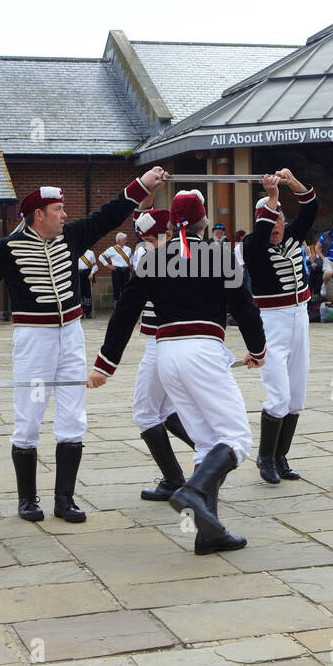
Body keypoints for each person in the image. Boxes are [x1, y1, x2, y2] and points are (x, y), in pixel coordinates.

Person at [0, 169, 164, 523]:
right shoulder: (9, 248)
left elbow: (107, 215)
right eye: (58, 209)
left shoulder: (72, 236)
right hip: (33, 340)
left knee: (73, 413)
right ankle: (27, 499)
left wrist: (141, 186)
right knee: (29, 416)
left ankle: (65, 499)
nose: (64, 215)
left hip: (72, 334)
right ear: (38, 215)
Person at [89, 189, 266, 554]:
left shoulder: (152, 260)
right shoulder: (220, 256)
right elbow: (246, 308)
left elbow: (124, 313)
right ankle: (192, 490)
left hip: (166, 353)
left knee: (206, 442)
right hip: (203, 351)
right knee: (237, 440)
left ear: (172, 223)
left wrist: (105, 364)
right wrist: (258, 350)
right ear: (204, 222)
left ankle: (209, 534)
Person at [242, 170, 317, 484]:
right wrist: (271, 198)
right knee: (278, 395)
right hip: (272, 322)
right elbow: (259, 235)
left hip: (300, 318)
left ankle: (281, 455)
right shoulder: (252, 246)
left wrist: (291, 182)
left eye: (278, 220)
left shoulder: (292, 236)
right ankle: (265, 457)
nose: (275, 227)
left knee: (296, 395)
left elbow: (311, 207)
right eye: (268, 221)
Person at [124, 210, 197, 501]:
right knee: (165, 411)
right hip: (182, 342)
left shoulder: (152, 262)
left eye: (149, 239)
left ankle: (174, 479)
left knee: (144, 412)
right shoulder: (191, 256)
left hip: (159, 341)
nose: (145, 245)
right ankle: (212, 455)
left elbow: (128, 308)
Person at [100, 233, 134, 307]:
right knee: (116, 289)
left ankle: (125, 305)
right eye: (124, 240)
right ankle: (116, 306)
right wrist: (108, 265)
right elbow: (101, 257)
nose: (126, 241)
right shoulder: (111, 249)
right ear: (119, 240)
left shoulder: (128, 249)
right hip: (117, 271)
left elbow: (131, 261)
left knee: (125, 289)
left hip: (126, 271)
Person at [77, 248, 98, 318]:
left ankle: (88, 312)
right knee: (80, 294)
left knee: (87, 293)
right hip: (78, 274)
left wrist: (92, 274)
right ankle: (81, 312)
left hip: (87, 274)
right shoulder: (77, 251)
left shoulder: (91, 253)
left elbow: (95, 266)